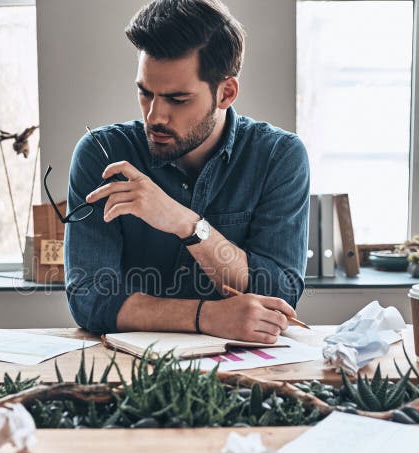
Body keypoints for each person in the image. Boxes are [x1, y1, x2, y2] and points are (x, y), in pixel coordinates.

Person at [64, 0, 310, 344]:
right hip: (125, 371)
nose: (154, 116)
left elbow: (279, 293)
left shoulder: (278, 157)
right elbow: (89, 298)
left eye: (177, 99)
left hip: (245, 374)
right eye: (145, 92)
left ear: (226, 92)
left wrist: (188, 225)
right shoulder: (102, 155)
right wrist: (207, 316)